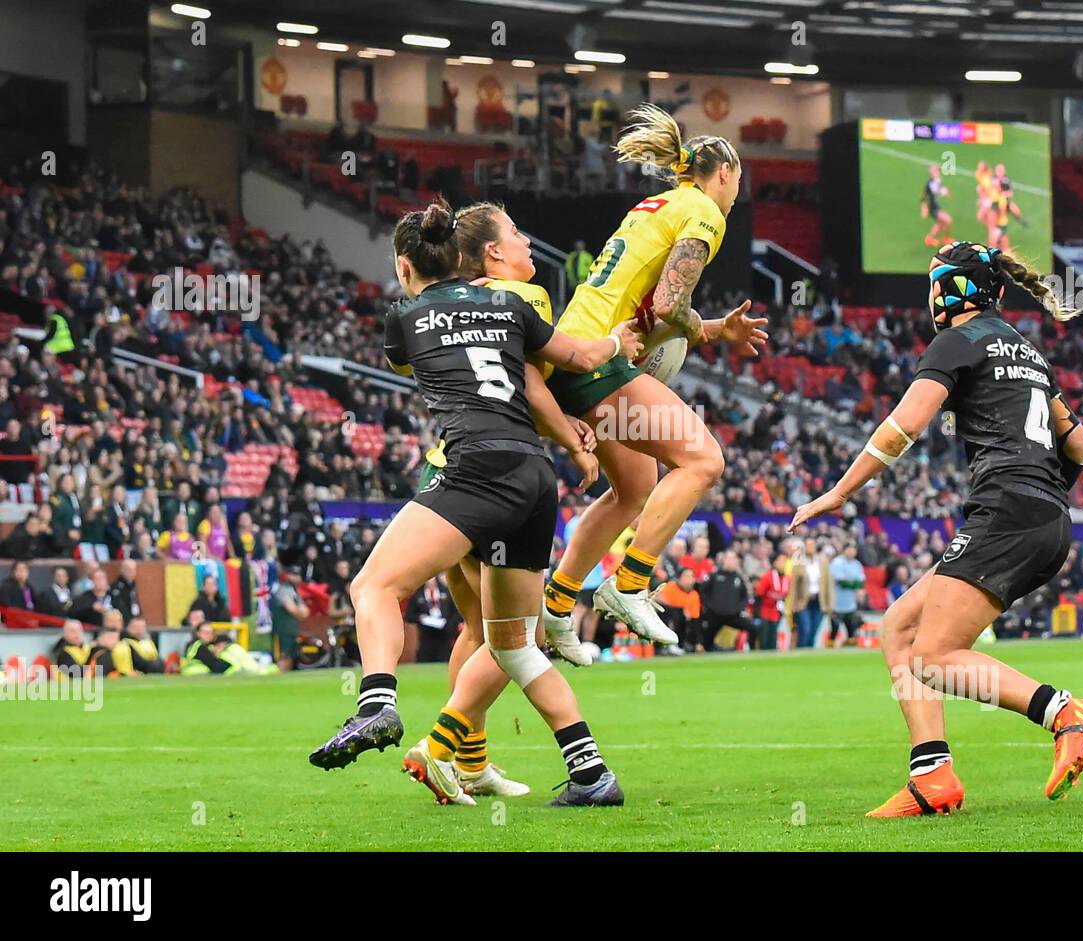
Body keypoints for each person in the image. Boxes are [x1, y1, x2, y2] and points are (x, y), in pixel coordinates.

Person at [309, 197, 643, 807]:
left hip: (473, 467)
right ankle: (592, 774)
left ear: (406, 267)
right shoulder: (511, 303)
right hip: (533, 476)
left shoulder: (402, 318)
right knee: (514, 642)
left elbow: (417, 358)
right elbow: (579, 357)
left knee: (373, 588)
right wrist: (616, 344)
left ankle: (378, 702)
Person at [791, 241, 1083, 816]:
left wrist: (839, 492)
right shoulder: (1029, 351)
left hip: (1007, 510)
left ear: (953, 288)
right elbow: (1080, 445)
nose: (932, 291)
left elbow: (901, 428)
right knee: (900, 628)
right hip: (1048, 516)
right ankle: (932, 775)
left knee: (932, 656)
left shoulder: (957, 341)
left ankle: (1064, 711)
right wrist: (1044, 496)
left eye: (937, 281)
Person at [542, 103, 767, 653]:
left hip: (574, 351)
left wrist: (711, 329)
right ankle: (630, 583)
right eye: (739, 181)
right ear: (724, 173)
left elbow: (653, 302)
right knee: (704, 460)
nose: (737, 192)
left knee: (635, 488)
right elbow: (669, 302)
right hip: (600, 358)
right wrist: (696, 326)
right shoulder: (705, 213)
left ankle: (555, 605)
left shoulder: (658, 203)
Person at [272, 566, 310, 672]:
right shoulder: (284, 589)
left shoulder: (295, 592)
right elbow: (292, 609)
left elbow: (306, 612)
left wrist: (300, 612)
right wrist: (300, 613)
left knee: (291, 657)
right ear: (287, 575)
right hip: (282, 631)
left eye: (298, 575)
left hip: (293, 630)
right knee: (283, 657)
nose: (296, 578)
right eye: (293, 575)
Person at [753, 548, 790, 650]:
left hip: (777, 613)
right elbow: (758, 595)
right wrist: (757, 615)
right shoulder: (767, 577)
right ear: (774, 562)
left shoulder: (787, 579)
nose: (783, 563)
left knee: (773, 640)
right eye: (781, 560)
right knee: (764, 641)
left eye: (785, 561)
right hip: (764, 613)